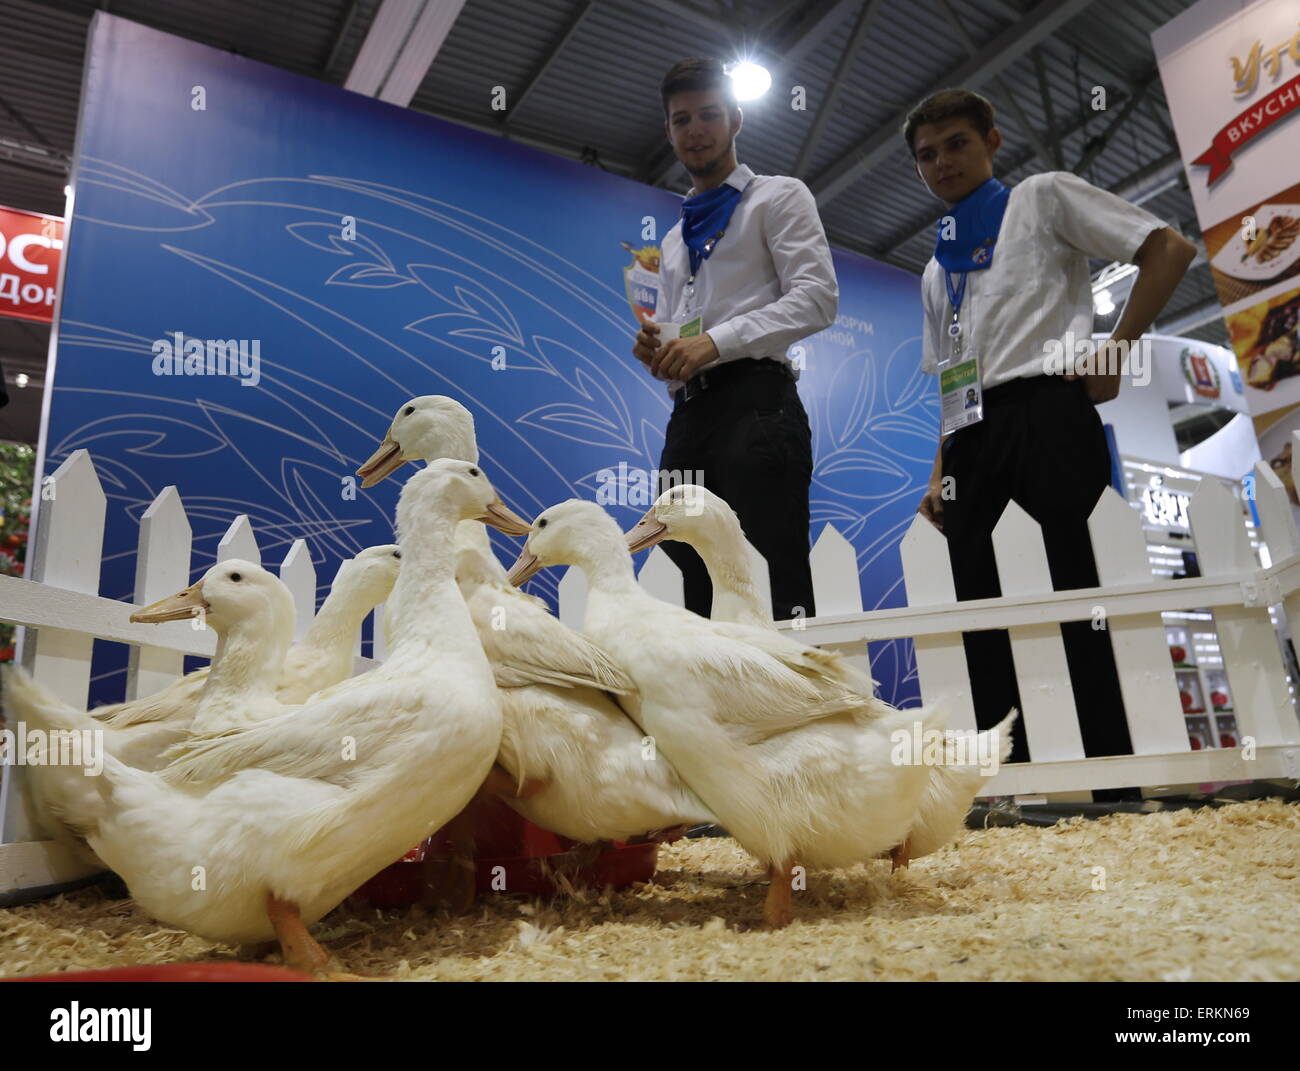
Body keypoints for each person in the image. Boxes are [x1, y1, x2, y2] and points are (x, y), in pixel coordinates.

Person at [907, 88, 1195, 767]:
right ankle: (1012, 780)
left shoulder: (1040, 197)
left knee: (1079, 594)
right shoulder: (935, 269)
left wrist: (1117, 347)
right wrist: (938, 470)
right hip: (972, 437)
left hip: (1050, 412)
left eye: (957, 144)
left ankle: (1110, 779)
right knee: (982, 609)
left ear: (992, 142)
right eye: (927, 154)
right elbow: (952, 379)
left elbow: (1171, 250)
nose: (943, 161)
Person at [632, 57, 838, 621]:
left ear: (736, 120)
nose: (695, 130)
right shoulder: (675, 239)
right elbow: (685, 336)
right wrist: (663, 351)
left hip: (758, 404)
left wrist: (716, 343)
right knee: (686, 578)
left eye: (708, 115)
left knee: (772, 576)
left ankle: (798, 709)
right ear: (668, 131)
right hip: (689, 418)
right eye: (681, 120)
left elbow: (818, 297)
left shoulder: (778, 197)